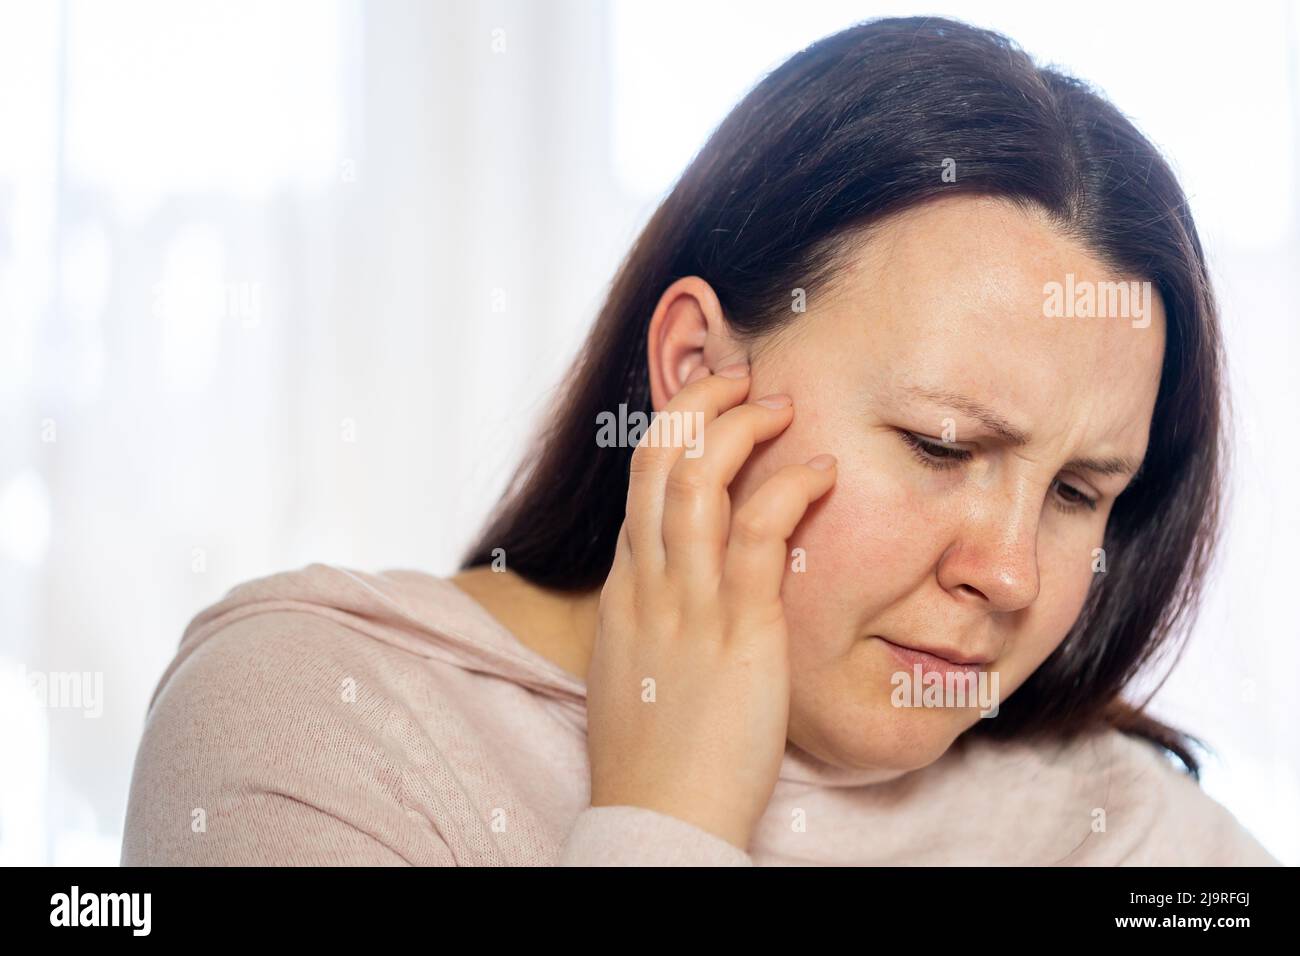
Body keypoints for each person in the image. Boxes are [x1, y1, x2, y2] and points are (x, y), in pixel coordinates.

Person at [121, 16, 1280, 866]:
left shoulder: (1129, 835)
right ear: (694, 375)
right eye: (939, 444)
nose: (1014, 571)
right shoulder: (316, 719)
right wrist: (668, 815)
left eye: (1079, 492)